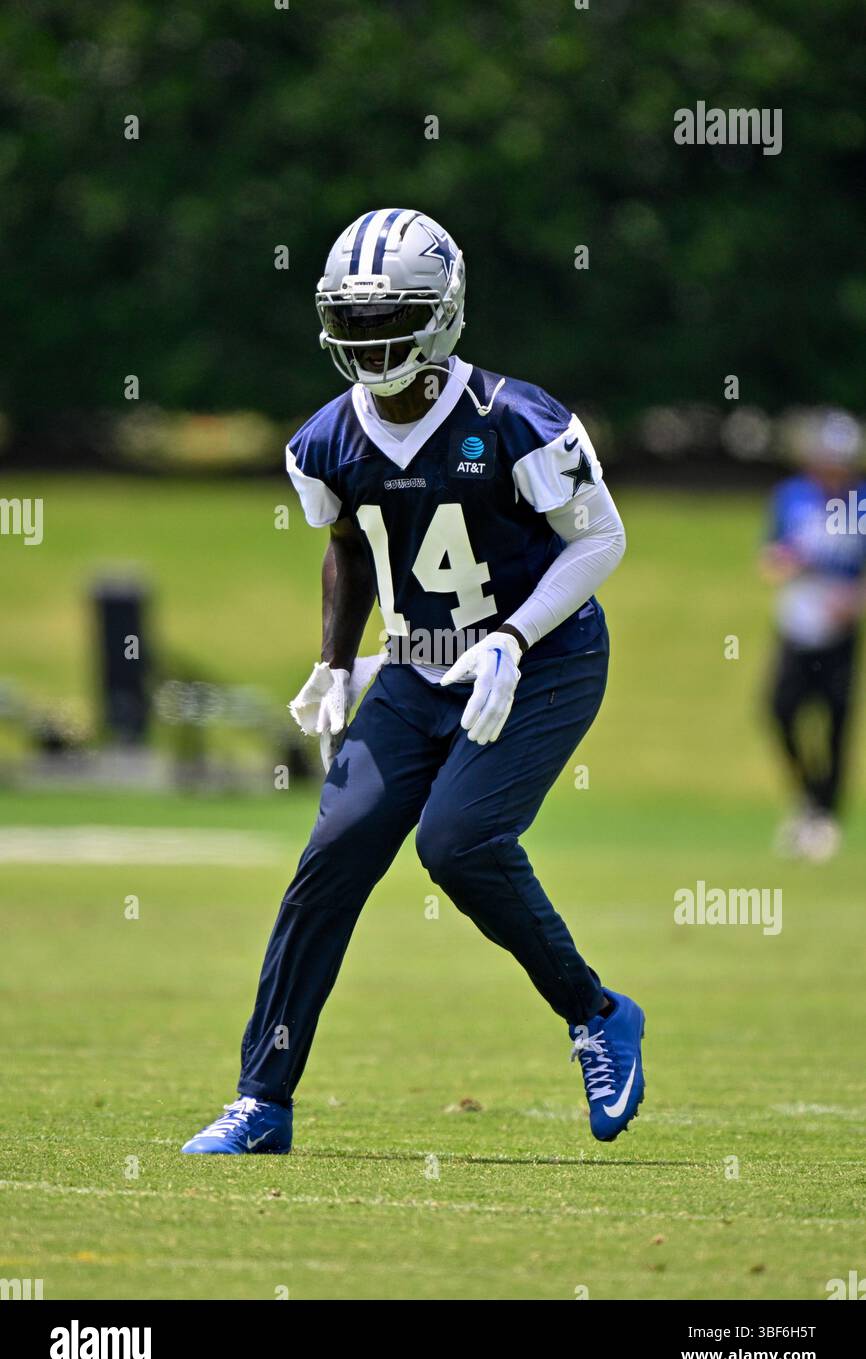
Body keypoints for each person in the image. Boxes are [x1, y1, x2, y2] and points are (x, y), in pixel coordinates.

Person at [182, 208, 644, 1154]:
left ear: (441, 314)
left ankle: (597, 1014)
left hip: (544, 661)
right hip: (412, 671)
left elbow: (601, 538)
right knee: (331, 862)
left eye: (385, 315)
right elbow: (348, 548)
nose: (362, 337)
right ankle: (263, 1100)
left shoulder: (514, 418)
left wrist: (513, 637)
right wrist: (331, 659)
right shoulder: (325, 439)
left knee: (460, 843)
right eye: (346, 318)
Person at [762, 410, 866, 860]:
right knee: (780, 709)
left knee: (836, 720)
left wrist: (854, 599)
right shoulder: (792, 497)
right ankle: (807, 799)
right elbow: (772, 555)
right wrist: (784, 563)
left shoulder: (861, 502)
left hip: (841, 628)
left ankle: (825, 816)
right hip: (797, 621)